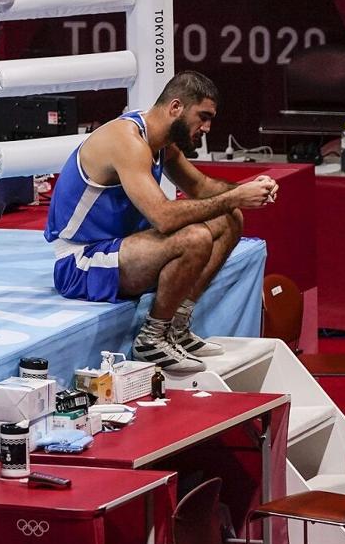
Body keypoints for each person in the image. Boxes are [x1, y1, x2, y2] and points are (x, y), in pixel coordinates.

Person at [44, 71, 278, 373]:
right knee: (194, 237)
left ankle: (178, 324)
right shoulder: (127, 141)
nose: (206, 128)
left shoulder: (163, 142)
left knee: (229, 218)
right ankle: (152, 337)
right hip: (81, 262)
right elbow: (164, 218)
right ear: (176, 108)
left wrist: (248, 190)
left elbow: (203, 187)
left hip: (120, 250)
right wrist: (235, 197)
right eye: (203, 117)